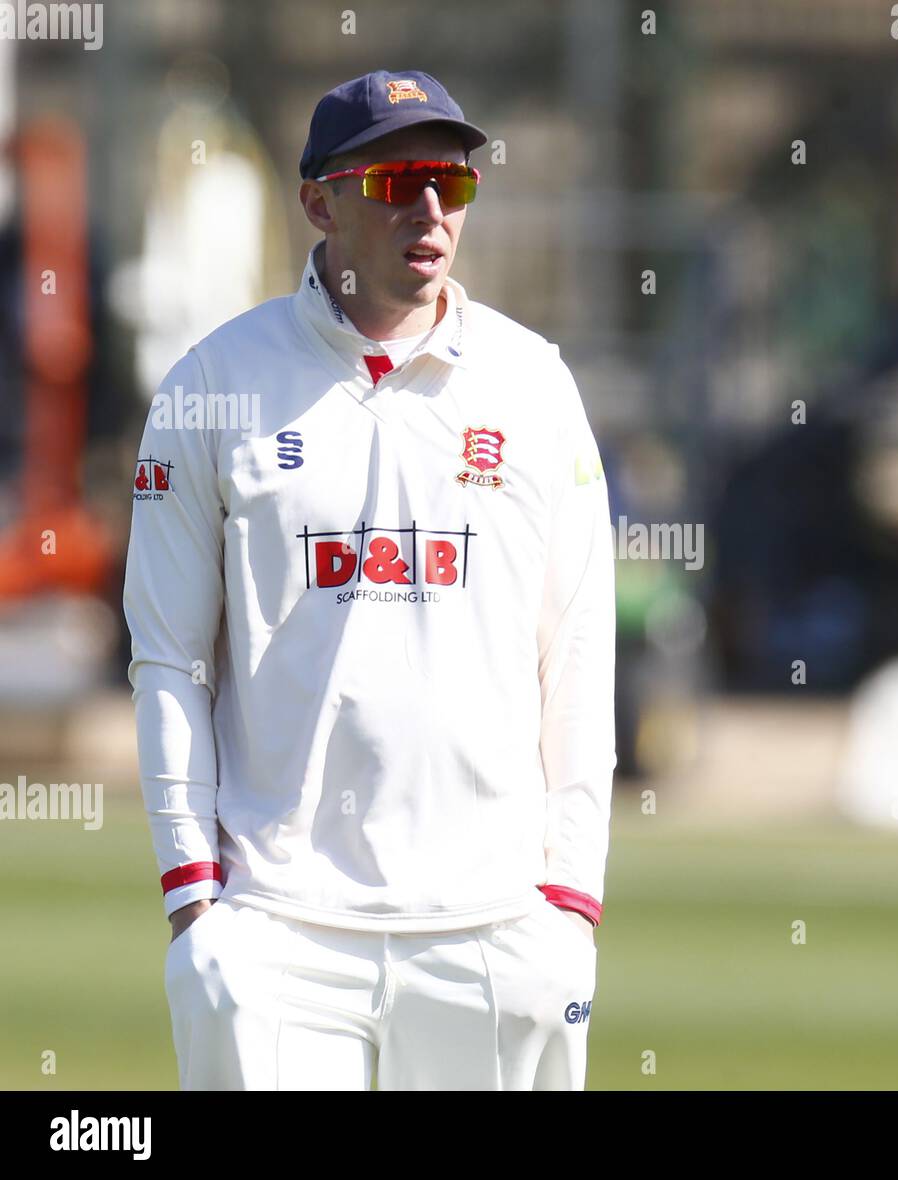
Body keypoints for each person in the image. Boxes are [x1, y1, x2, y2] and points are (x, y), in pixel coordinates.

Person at [122, 68, 617, 1091]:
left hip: (492, 924)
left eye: (452, 180)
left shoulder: (534, 384)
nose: (430, 208)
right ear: (320, 203)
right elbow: (167, 655)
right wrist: (195, 900)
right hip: (276, 924)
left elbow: (577, 653)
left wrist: (568, 902)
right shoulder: (215, 382)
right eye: (397, 180)